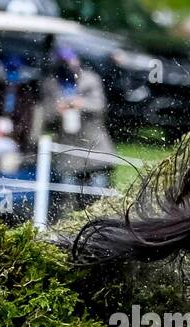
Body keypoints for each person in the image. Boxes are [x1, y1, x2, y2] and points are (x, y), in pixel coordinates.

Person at [39, 46, 115, 212]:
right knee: (68, 199)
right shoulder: (51, 84)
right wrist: (57, 109)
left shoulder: (90, 80)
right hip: (68, 150)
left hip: (95, 149)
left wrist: (81, 103)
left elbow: (100, 106)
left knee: (98, 198)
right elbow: (45, 115)